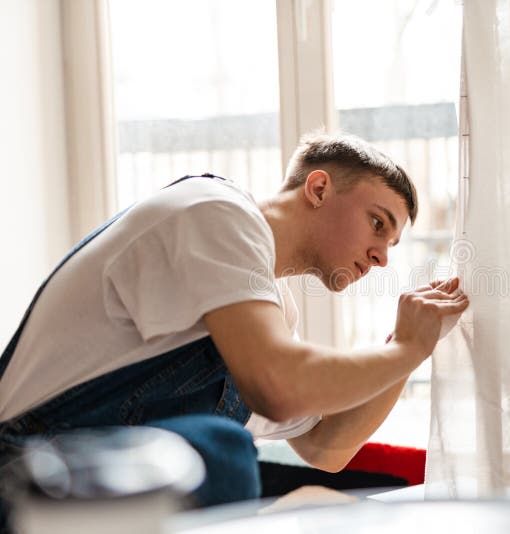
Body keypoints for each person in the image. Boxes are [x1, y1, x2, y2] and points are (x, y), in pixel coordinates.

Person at [0, 132, 469, 511]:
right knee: (219, 452)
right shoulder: (216, 211)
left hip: (99, 476)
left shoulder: (271, 309)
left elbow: (326, 447)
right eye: (378, 224)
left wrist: (411, 345)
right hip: (23, 474)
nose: (382, 256)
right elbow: (280, 388)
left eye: (392, 244)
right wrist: (404, 349)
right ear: (319, 188)